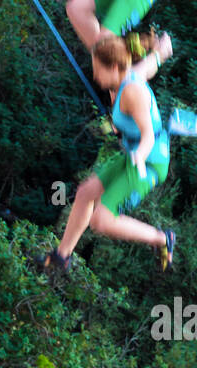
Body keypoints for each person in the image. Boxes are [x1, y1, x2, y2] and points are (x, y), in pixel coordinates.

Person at [41, 31, 177, 273]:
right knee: (85, 193)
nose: (94, 76)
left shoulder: (132, 91)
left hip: (148, 162)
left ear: (114, 67)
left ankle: (162, 239)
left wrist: (140, 154)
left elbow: (147, 134)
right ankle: (62, 257)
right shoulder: (127, 75)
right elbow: (152, 63)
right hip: (132, 154)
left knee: (102, 221)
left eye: (98, 70)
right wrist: (160, 50)